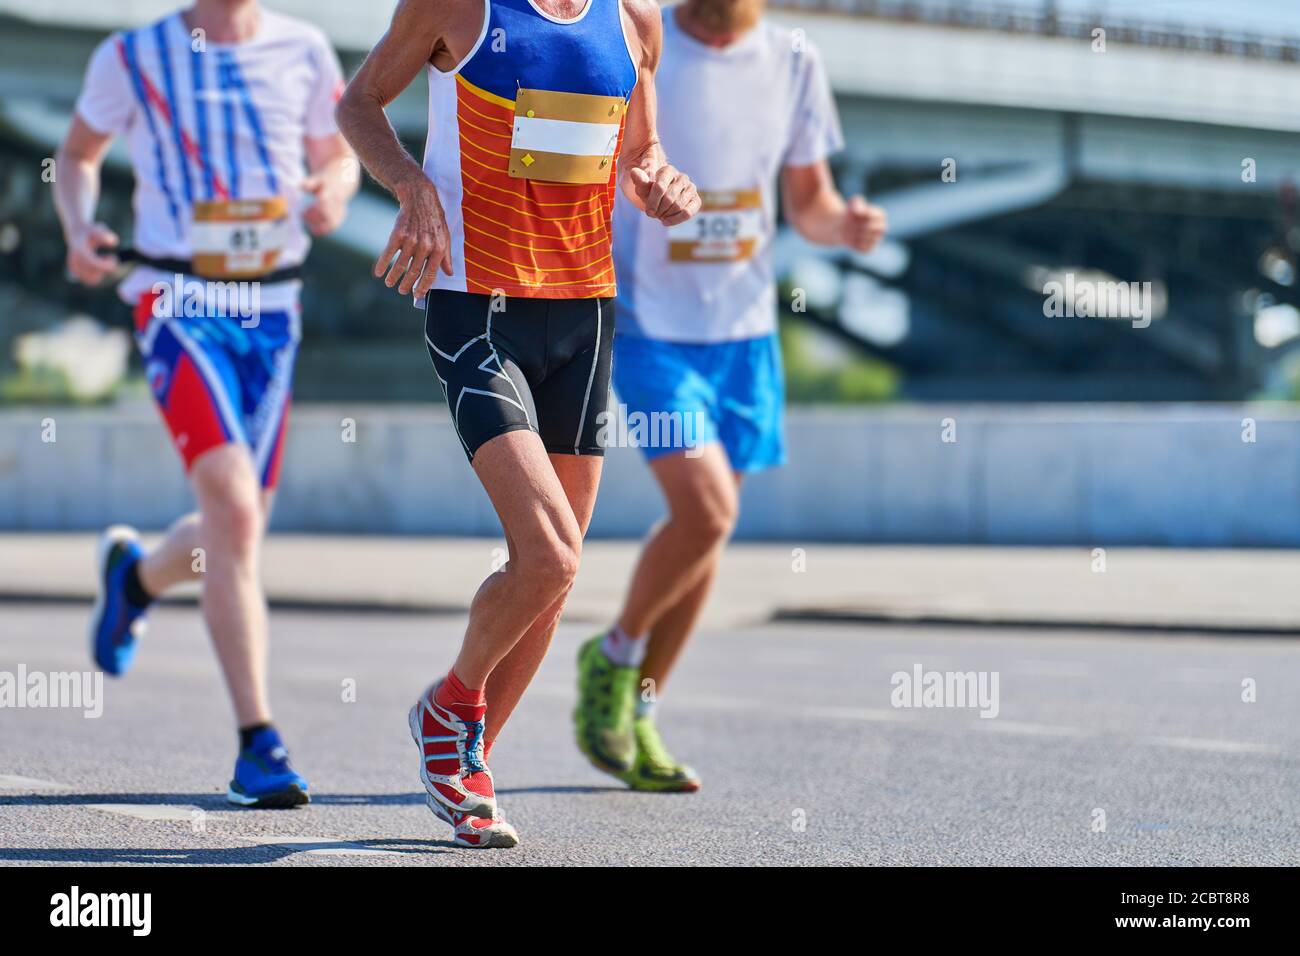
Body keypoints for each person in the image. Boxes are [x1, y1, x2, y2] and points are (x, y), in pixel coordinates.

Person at [337, 0, 699, 847]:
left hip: (586, 317)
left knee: (555, 578)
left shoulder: (635, 21)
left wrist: (660, 181)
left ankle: (468, 765)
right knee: (550, 555)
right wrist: (411, 183)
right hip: (478, 307)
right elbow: (357, 104)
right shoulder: (456, 6)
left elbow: (641, 153)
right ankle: (448, 707)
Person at [573, 0, 889, 792]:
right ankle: (611, 658)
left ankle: (640, 712)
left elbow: (807, 201)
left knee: (707, 533)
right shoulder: (642, 38)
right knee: (707, 509)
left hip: (745, 336)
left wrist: (841, 225)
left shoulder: (794, 58)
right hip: (649, 325)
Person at [54, 0, 357, 807]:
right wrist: (81, 227)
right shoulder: (136, 54)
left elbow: (338, 154)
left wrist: (332, 188)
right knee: (230, 506)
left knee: (236, 525)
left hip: (274, 313)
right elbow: (79, 154)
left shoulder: (304, 47)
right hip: (178, 302)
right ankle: (259, 744)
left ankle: (138, 579)